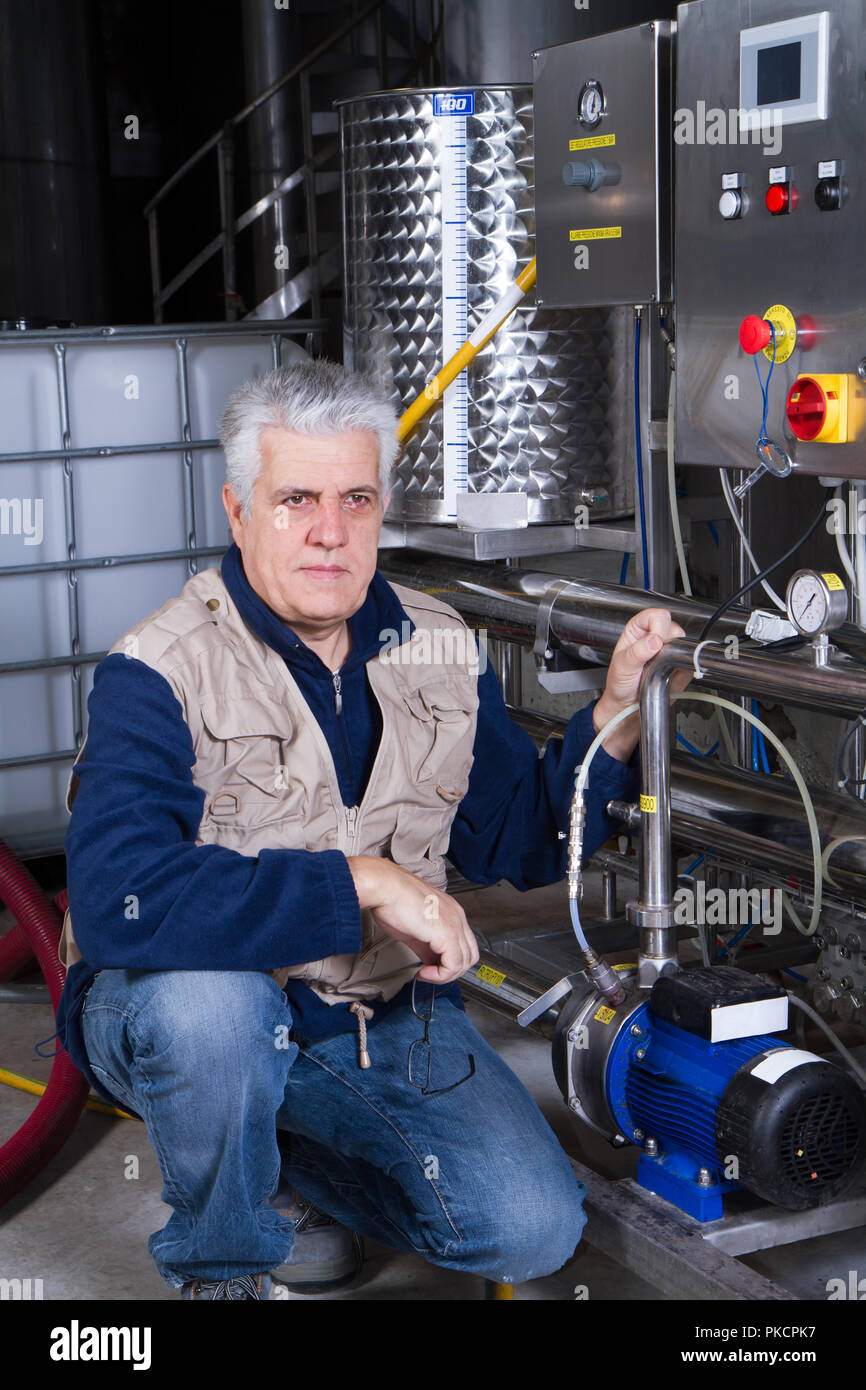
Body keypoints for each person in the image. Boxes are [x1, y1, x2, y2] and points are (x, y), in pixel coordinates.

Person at [55, 360, 685, 1300]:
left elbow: (514, 840)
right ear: (238, 512)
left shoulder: (436, 642)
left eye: (355, 498)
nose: (329, 532)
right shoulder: (158, 669)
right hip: (202, 1012)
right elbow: (119, 902)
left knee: (531, 1229)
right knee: (211, 1015)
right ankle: (223, 1270)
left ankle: (288, 1167)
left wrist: (620, 713)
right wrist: (364, 881)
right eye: (295, 499)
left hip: (377, 1016)